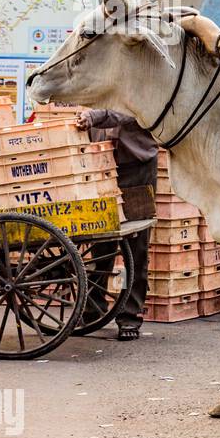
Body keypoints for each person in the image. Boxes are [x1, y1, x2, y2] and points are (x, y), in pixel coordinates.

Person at [76, 109, 158, 341]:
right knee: (100, 241)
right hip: (100, 161)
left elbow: (131, 110)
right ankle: (93, 310)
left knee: (136, 246)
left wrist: (95, 116)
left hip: (136, 164)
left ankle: (130, 316)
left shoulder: (140, 76)